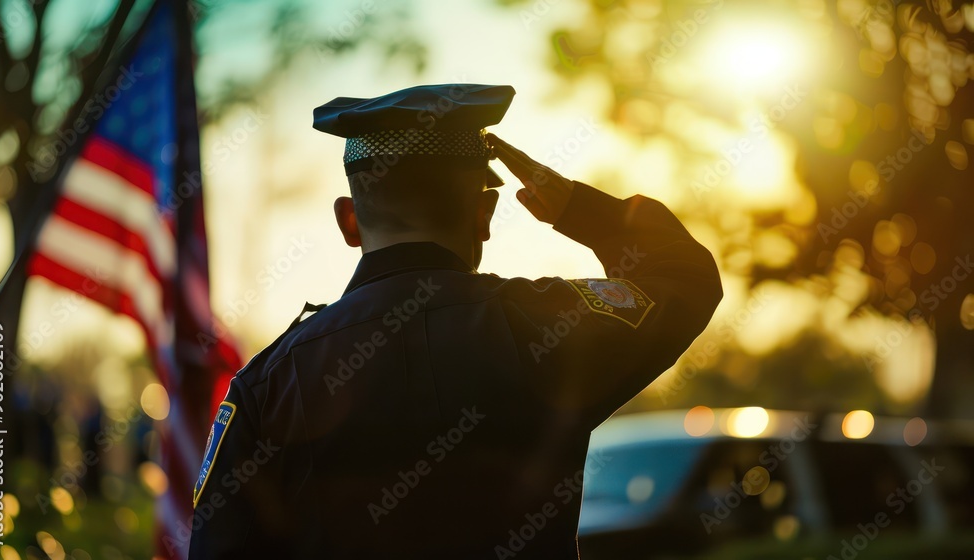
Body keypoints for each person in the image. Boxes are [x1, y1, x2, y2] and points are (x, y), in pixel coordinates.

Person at [188, 83, 722, 559]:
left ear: (348, 220)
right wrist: (577, 208)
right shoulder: (544, 326)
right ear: (484, 215)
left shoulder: (268, 383)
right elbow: (684, 279)